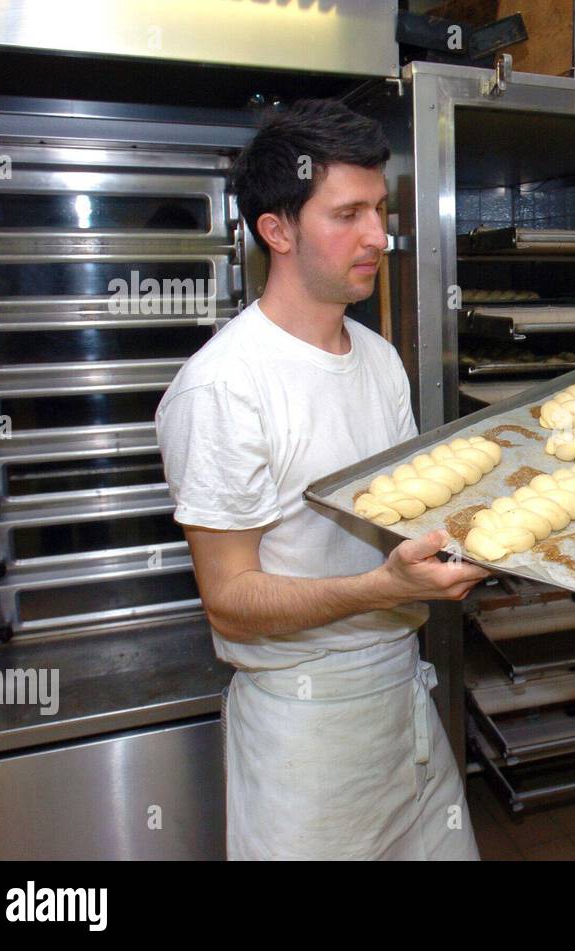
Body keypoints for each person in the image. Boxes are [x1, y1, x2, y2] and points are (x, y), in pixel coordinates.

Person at [155, 99, 488, 860]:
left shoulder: (376, 356)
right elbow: (232, 601)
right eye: (349, 214)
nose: (380, 235)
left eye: (381, 209)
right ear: (277, 229)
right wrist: (384, 589)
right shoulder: (225, 387)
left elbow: (411, 513)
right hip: (306, 740)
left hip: (403, 708)